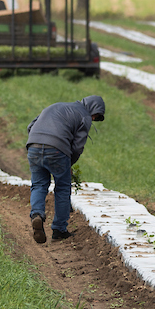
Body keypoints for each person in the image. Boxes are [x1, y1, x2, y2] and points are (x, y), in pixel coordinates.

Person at [27, 95, 106, 244]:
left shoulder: (56, 106)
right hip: (57, 149)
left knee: (38, 185)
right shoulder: (84, 116)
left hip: (33, 146)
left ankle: (37, 214)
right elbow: (77, 147)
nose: (93, 119)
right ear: (93, 109)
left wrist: (37, 143)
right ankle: (59, 229)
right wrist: (68, 163)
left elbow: (30, 126)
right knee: (63, 188)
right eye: (95, 116)